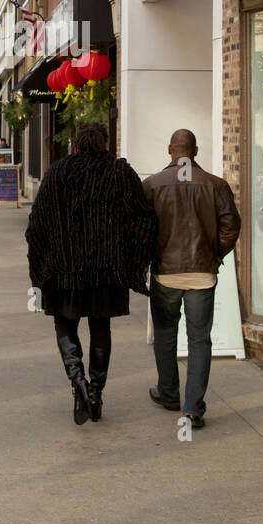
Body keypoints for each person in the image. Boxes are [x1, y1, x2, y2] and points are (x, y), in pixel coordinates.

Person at [26, 122, 157, 425]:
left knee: (65, 325)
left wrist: (43, 264)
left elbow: (37, 224)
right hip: (105, 270)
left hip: (65, 269)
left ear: (75, 144)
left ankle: (78, 382)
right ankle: (95, 392)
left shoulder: (58, 173)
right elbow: (143, 217)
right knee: (101, 329)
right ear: (105, 143)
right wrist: (128, 255)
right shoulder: (120, 173)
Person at [142, 129, 241, 428]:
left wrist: (153, 255)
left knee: (165, 333)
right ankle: (194, 408)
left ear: (170, 149)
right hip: (202, 273)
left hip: (166, 272)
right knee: (199, 339)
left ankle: (169, 393)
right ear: (195, 150)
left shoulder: (152, 185)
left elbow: (141, 229)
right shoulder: (216, 185)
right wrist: (214, 255)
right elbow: (231, 227)